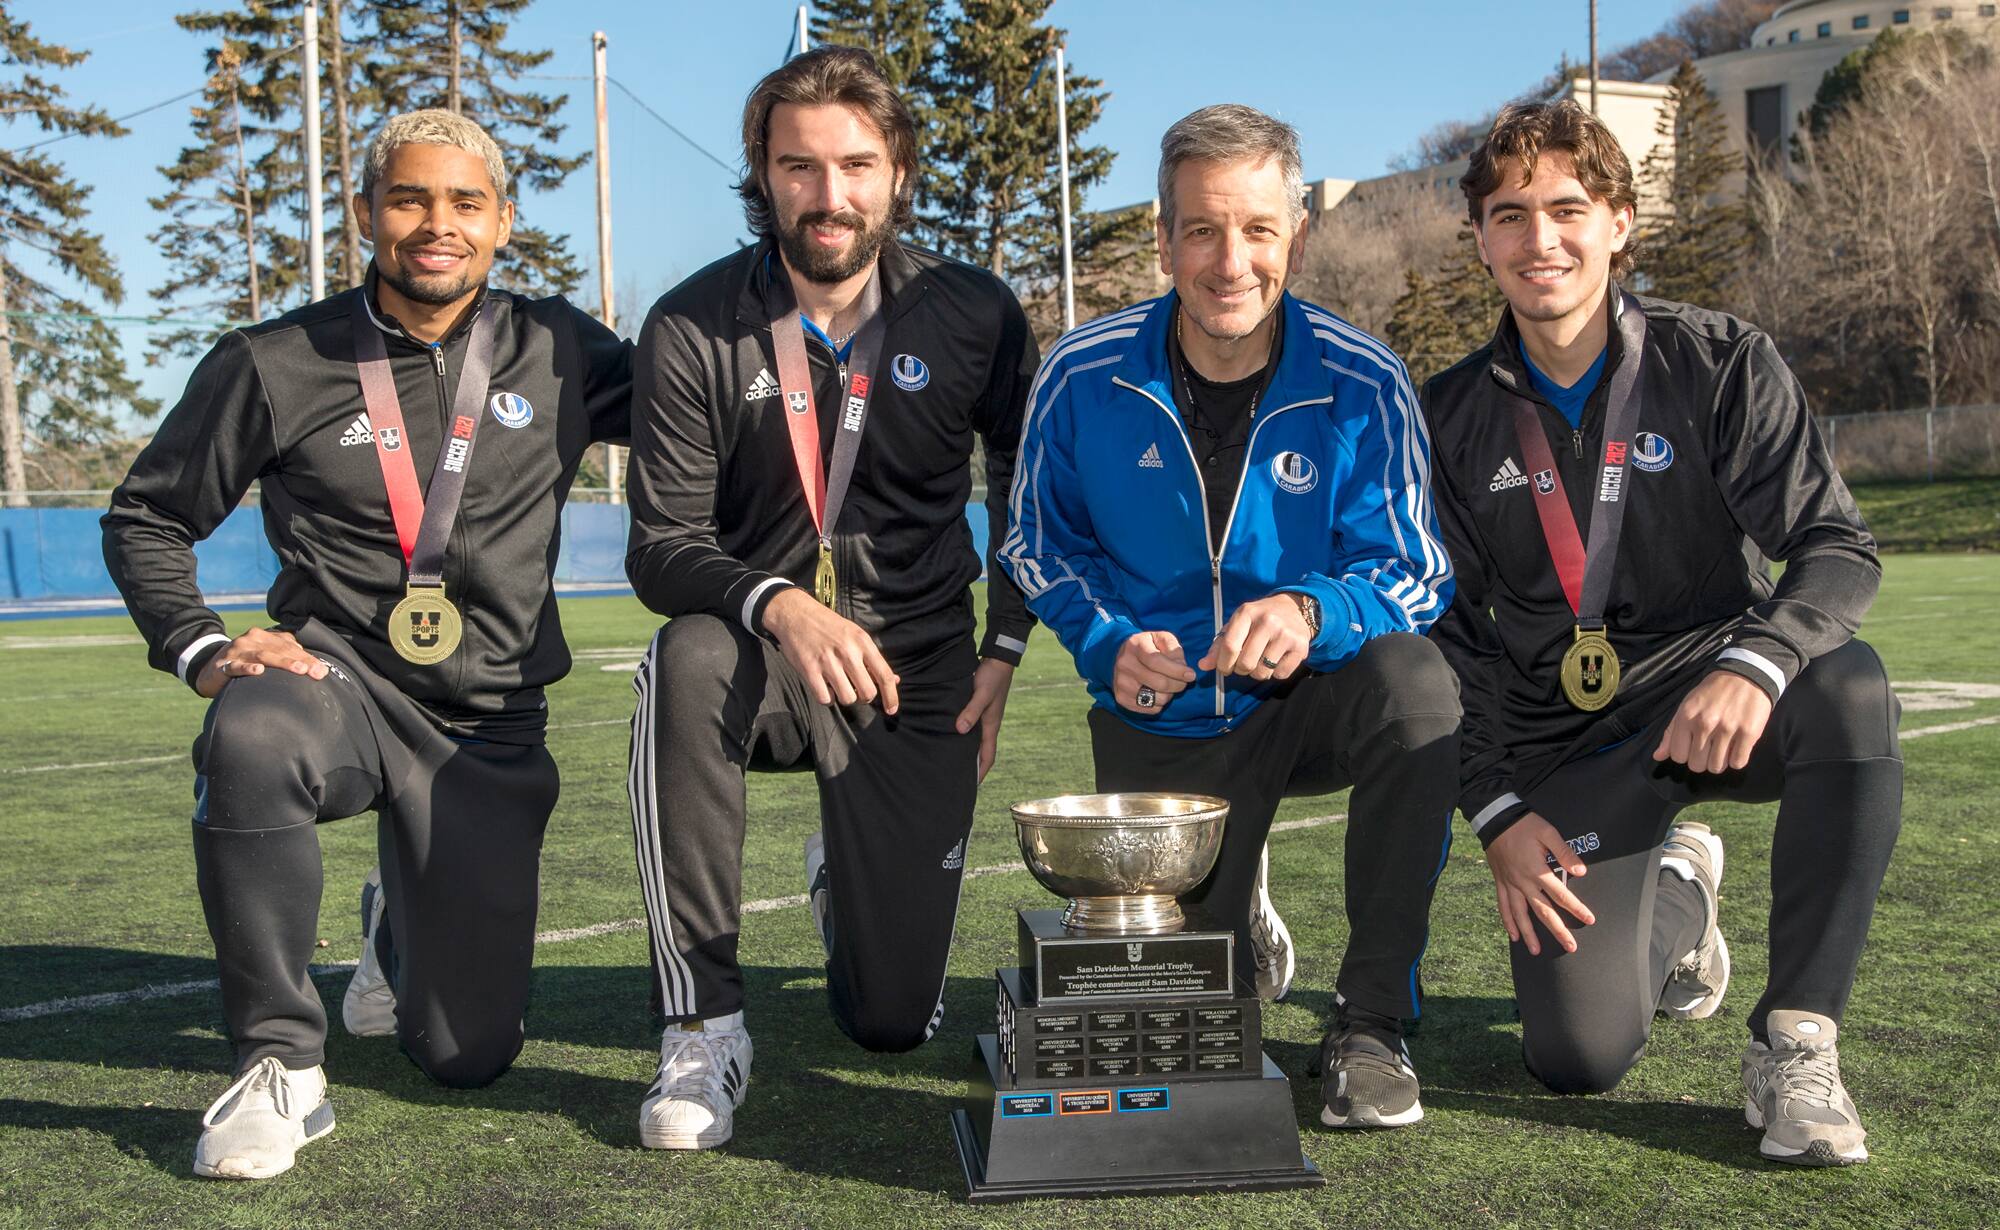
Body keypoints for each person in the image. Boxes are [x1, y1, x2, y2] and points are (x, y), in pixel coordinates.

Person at [100, 110, 632, 1180]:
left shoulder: (563, 348)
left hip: (487, 721)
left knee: (466, 1055)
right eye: (408, 199)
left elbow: (710, 414)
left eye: (465, 202)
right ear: (364, 215)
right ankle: (280, 1065)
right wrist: (200, 648)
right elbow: (146, 515)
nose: (437, 225)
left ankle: (399, 922)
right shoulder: (273, 359)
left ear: (504, 221)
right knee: (251, 734)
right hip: (335, 684)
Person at [1422, 99, 1901, 1166]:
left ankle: (1795, 1041)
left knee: (1850, 688)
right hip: (1565, 739)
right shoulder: (1445, 416)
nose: (1540, 240)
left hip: (1712, 699)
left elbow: (1834, 545)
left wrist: (1757, 659)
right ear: (1480, 240)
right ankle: (1682, 886)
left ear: (1619, 223)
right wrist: (1495, 809)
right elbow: (1445, 633)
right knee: (1576, 1057)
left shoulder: (1716, 361)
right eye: (1509, 216)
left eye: (1566, 209)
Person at [1001, 104, 1461, 1130]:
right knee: (1179, 1030)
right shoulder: (1080, 372)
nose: (1230, 261)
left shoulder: (1362, 378)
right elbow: (1035, 544)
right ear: (1162, 238)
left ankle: (1371, 1023)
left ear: (1294, 234)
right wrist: (1107, 639)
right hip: (1162, 713)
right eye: (1203, 230)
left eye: (1257, 229)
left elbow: (1415, 568)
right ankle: (1232, 899)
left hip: (1309, 699)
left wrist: (1313, 607)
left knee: (1416, 686)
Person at [621, 46, 1036, 1151]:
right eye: (798, 166)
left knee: (890, 1023)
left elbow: (1031, 487)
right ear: (762, 174)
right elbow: (659, 544)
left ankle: (845, 886)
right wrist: (776, 603)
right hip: (763, 656)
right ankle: (701, 1026)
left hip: (917, 665)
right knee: (685, 656)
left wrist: (1002, 648)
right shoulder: (692, 322)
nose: (828, 194)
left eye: (855, 164)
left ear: (897, 170)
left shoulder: (973, 312)